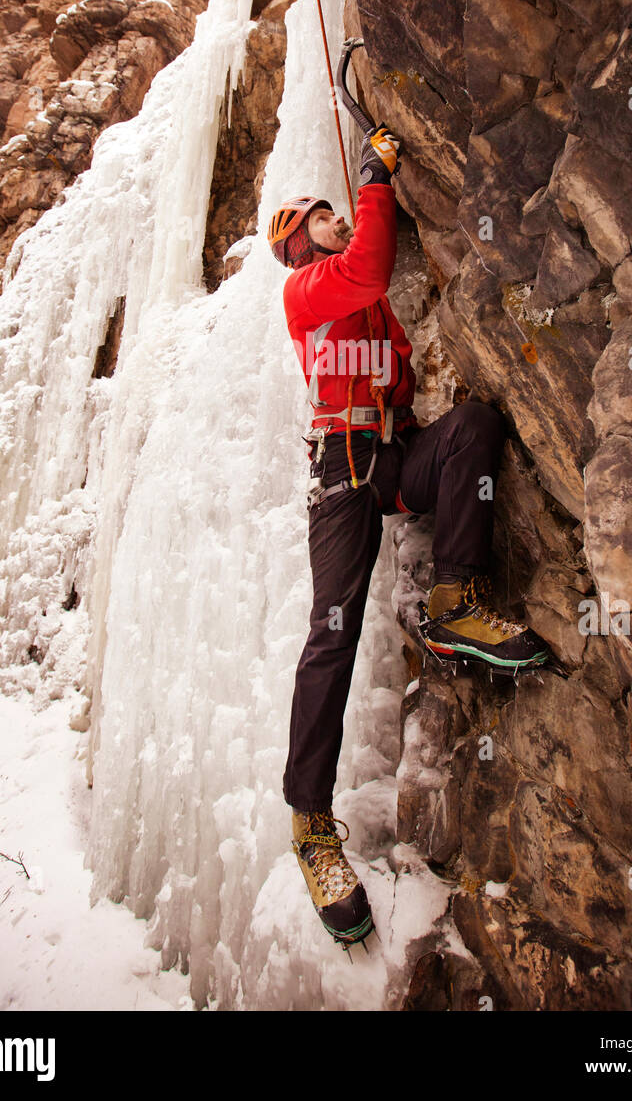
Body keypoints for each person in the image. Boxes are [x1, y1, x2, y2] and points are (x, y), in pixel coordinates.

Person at [268, 123, 549, 946]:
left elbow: (392, 353)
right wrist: (372, 177)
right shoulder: (307, 290)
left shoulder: (363, 305)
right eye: (322, 216)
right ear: (297, 241)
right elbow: (369, 265)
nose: (336, 219)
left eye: (337, 210)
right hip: (338, 476)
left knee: (472, 428)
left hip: (384, 459)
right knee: (333, 632)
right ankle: (312, 827)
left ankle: (455, 601)